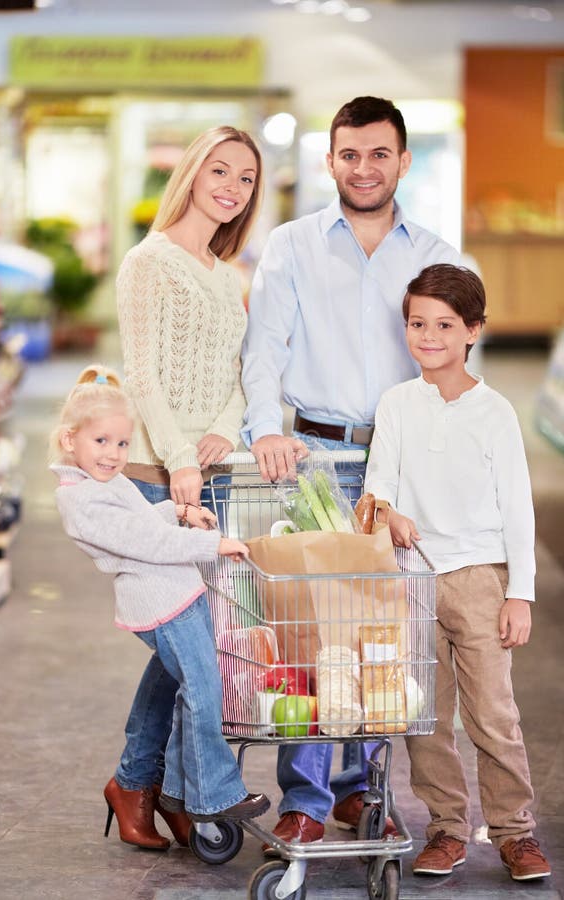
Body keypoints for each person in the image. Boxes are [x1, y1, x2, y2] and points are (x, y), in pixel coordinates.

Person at [240, 96, 461, 849]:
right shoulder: (292, 246)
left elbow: (457, 363)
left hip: (402, 459)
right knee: (310, 628)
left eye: (378, 154)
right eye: (349, 154)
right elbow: (264, 348)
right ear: (330, 160)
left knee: (382, 629)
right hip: (314, 458)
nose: (364, 168)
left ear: (403, 161)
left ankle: (362, 792)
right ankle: (304, 797)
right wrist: (266, 430)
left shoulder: (438, 256)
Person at [364, 263, 551, 882]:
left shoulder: (494, 412)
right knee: (425, 717)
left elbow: (517, 509)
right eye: (418, 323)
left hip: (479, 579)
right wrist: (386, 511)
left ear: (473, 330)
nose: (429, 336)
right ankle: (445, 829)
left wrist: (519, 594)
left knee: (493, 714)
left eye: (445, 325)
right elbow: (378, 482)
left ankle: (515, 832)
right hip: (412, 579)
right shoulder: (396, 404)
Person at [111, 125, 264, 848]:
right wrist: (179, 461)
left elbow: (237, 376)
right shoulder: (148, 263)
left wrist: (225, 435)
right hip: (159, 480)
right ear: (194, 173)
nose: (232, 188)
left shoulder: (225, 275)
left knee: (187, 644)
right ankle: (196, 790)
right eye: (220, 171)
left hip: (215, 478)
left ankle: (143, 784)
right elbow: (142, 376)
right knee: (189, 646)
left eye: (245, 179)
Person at [49, 365, 270, 849]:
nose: (113, 454)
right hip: (161, 602)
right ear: (69, 440)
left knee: (178, 683)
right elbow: (146, 541)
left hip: (175, 593)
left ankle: (170, 790)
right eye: (101, 441)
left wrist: (180, 511)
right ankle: (213, 793)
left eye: (121, 444)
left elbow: (143, 520)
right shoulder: (79, 501)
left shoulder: (103, 483)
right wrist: (214, 544)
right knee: (203, 688)